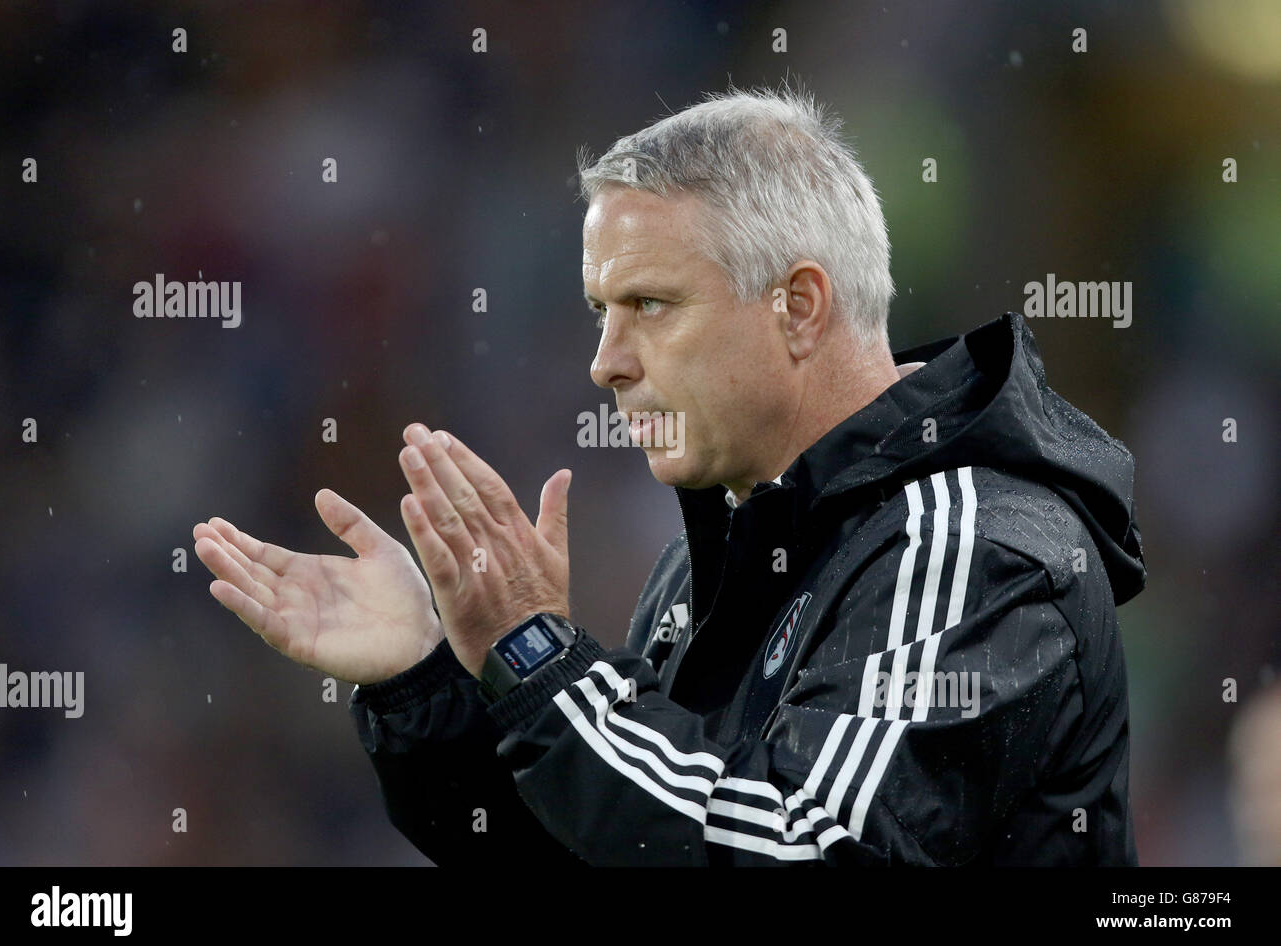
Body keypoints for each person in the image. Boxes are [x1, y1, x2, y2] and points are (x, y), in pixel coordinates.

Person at [194, 87, 1146, 865]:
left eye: (650, 303)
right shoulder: (724, 550)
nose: (606, 361)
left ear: (800, 307)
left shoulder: (970, 544)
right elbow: (609, 853)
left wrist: (539, 659)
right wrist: (429, 686)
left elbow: (802, 853)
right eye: (601, 310)